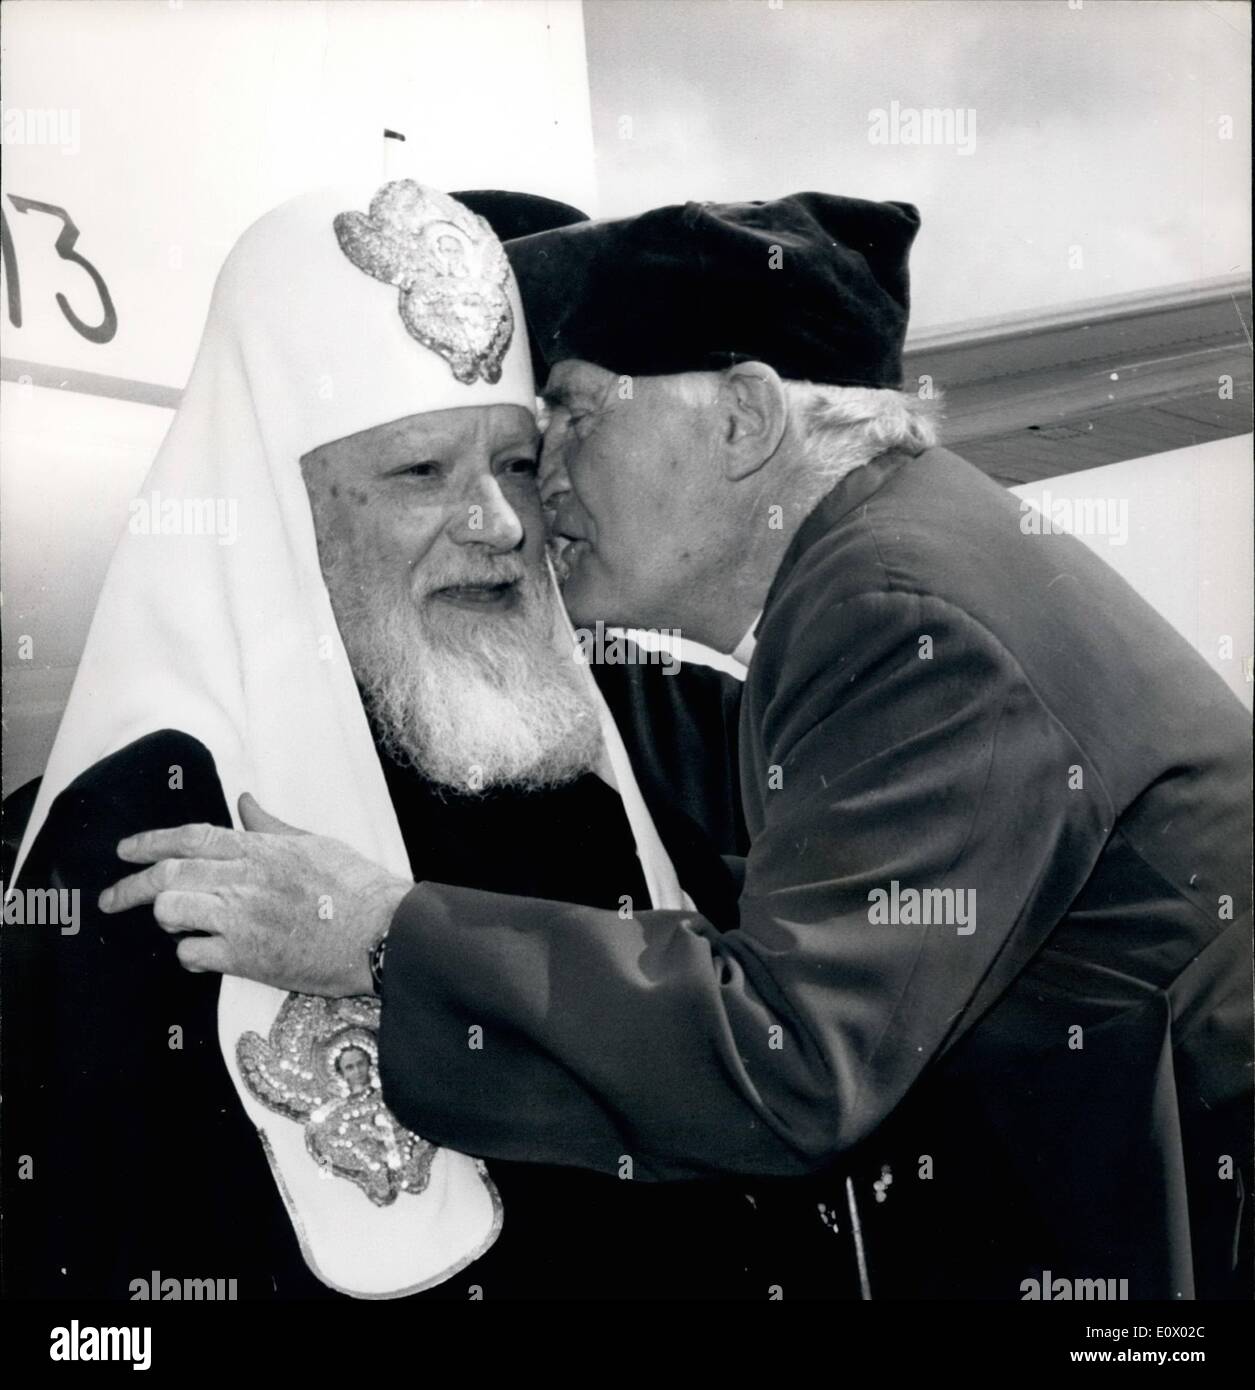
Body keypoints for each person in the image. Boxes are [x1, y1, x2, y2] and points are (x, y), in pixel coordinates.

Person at [109, 192, 1253, 1301]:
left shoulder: (896, 617)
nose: (543, 487)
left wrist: (379, 934)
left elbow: (792, 1059)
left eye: (573, 416)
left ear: (745, 419)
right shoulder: (882, 565)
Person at [2, 180, 762, 1301]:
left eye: (515, 464)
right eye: (421, 473)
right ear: (282, 504)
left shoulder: (583, 767)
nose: (500, 525)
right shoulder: (147, 820)